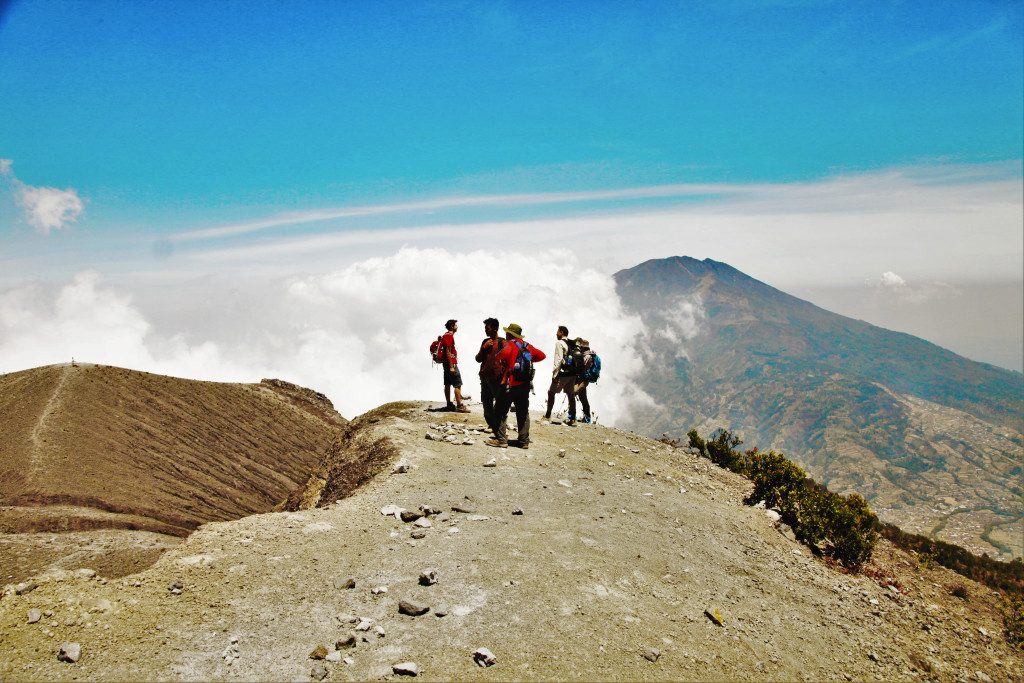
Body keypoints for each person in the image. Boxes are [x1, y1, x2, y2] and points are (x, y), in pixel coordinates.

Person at [486, 323, 546, 449]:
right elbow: (542, 355)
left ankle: (502, 440)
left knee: (500, 411)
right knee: (523, 412)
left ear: (510, 334)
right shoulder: (527, 346)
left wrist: (501, 358)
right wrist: (528, 358)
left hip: (509, 384)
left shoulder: (510, 345)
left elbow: (500, 356)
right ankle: (524, 441)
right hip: (524, 385)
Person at [475, 317, 507, 432]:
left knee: (499, 407)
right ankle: (495, 428)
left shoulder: (502, 343)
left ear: (495, 329)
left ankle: (500, 432)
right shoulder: (485, 342)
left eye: (487, 328)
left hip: (497, 380)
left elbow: (507, 361)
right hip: (485, 379)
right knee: (487, 407)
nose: (485, 330)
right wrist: (483, 348)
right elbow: (478, 359)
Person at [544, 325, 578, 425]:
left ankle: (547, 416)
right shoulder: (571, 343)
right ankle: (573, 418)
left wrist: (555, 375)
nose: (556, 333)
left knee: (551, 393)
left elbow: (558, 360)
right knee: (570, 394)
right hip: (572, 374)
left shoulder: (559, 343)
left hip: (563, 374)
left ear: (562, 332)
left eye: (558, 331)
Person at [438, 319, 469, 413]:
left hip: (446, 363)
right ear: (452, 326)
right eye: (456, 325)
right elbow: (448, 351)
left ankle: (449, 404)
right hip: (450, 364)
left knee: (447, 383)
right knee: (457, 384)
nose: (457, 327)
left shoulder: (446, 335)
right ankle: (459, 405)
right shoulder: (449, 336)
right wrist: (451, 366)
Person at [573, 338, 595, 423]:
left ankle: (572, 416)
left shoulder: (587, 356)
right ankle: (586, 417)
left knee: (573, 393)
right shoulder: (589, 355)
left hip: (582, 379)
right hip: (583, 379)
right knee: (583, 398)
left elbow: (582, 368)